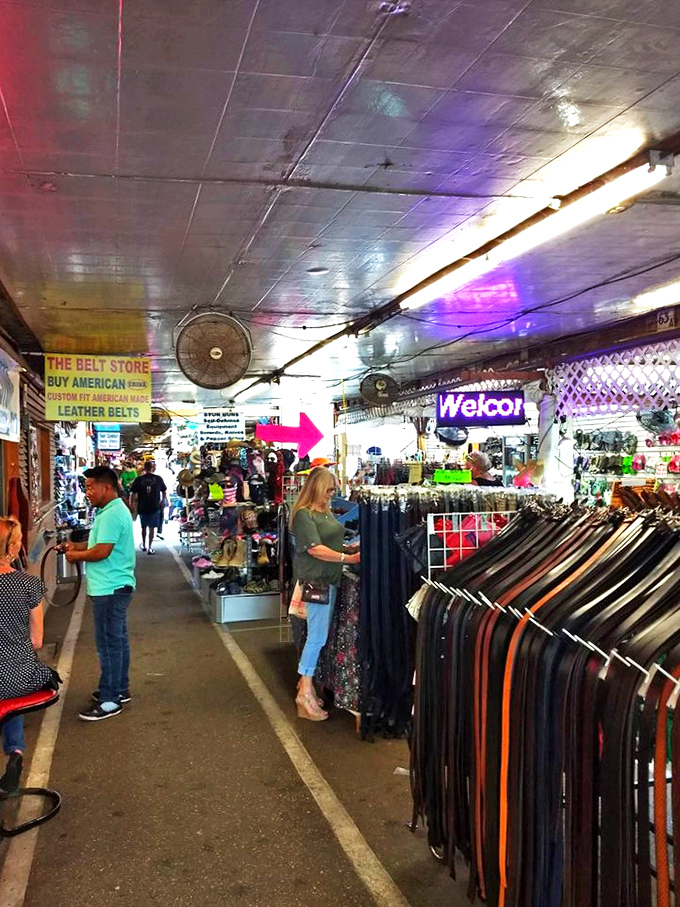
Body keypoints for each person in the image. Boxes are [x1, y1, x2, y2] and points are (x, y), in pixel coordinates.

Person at [62, 466, 135, 722]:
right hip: (113, 586)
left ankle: (110, 700)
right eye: (86, 486)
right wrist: (74, 546)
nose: (87, 491)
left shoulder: (112, 514)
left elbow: (101, 552)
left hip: (110, 588)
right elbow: (97, 543)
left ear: (108, 487)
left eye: (91, 486)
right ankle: (119, 688)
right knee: (117, 641)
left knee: (109, 644)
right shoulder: (109, 511)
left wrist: (76, 555)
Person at [291, 467, 359, 722]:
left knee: (317, 635)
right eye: (328, 490)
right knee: (317, 637)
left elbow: (327, 544)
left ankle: (305, 687)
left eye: (333, 490)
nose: (331, 494)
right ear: (317, 488)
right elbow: (315, 549)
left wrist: (346, 548)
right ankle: (304, 692)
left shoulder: (323, 511)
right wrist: (347, 556)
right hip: (316, 581)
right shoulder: (303, 515)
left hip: (327, 579)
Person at [0, 517, 58, 790]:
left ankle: (14, 751)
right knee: (16, 680)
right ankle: (15, 752)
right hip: (19, 677)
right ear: (11, 548)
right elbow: (37, 641)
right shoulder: (28, 584)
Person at [130, 461, 167, 554]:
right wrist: (163, 500)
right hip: (155, 506)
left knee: (143, 527)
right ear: (152, 468)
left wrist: (132, 505)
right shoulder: (158, 479)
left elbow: (133, 494)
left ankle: (143, 544)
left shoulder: (139, 479)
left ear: (144, 468)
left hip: (142, 506)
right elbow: (164, 491)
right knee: (152, 528)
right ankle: (150, 547)